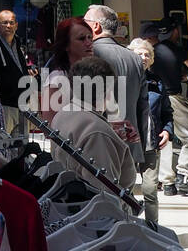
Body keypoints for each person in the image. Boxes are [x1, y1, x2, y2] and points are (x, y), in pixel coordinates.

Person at [85, 4, 155, 225]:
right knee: (124, 200)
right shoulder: (134, 59)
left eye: (85, 21)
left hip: (97, 141)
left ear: (95, 26)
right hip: (129, 144)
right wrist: (141, 146)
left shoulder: (89, 53)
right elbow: (143, 107)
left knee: (99, 203)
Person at [53, 55, 138, 191]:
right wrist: (106, 133)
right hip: (94, 208)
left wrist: (110, 132)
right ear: (106, 91)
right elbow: (104, 197)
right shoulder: (98, 132)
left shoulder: (62, 114)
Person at [143, 21, 188, 195]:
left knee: (164, 139)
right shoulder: (173, 49)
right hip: (173, 98)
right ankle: (184, 173)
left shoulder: (145, 56)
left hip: (152, 99)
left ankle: (167, 184)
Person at [130, 35, 174, 190]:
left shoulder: (157, 82)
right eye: (139, 54)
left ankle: (151, 216)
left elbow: (167, 112)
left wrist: (167, 131)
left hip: (150, 143)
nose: (144, 57)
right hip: (128, 144)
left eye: (147, 54)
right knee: (126, 189)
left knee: (150, 190)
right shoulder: (122, 80)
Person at [0, 8, 31, 136]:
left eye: (11, 23)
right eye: (4, 23)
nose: (8, 26)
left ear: (16, 25)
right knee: (3, 144)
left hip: (22, 103)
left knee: (22, 146)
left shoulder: (17, 43)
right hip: (4, 104)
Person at [40, 16, 94, 119]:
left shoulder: (92, 75)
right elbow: (50, 126)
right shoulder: (57, 80)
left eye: (90, 37)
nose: (89, 43)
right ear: (66, 45)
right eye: (81, 38)